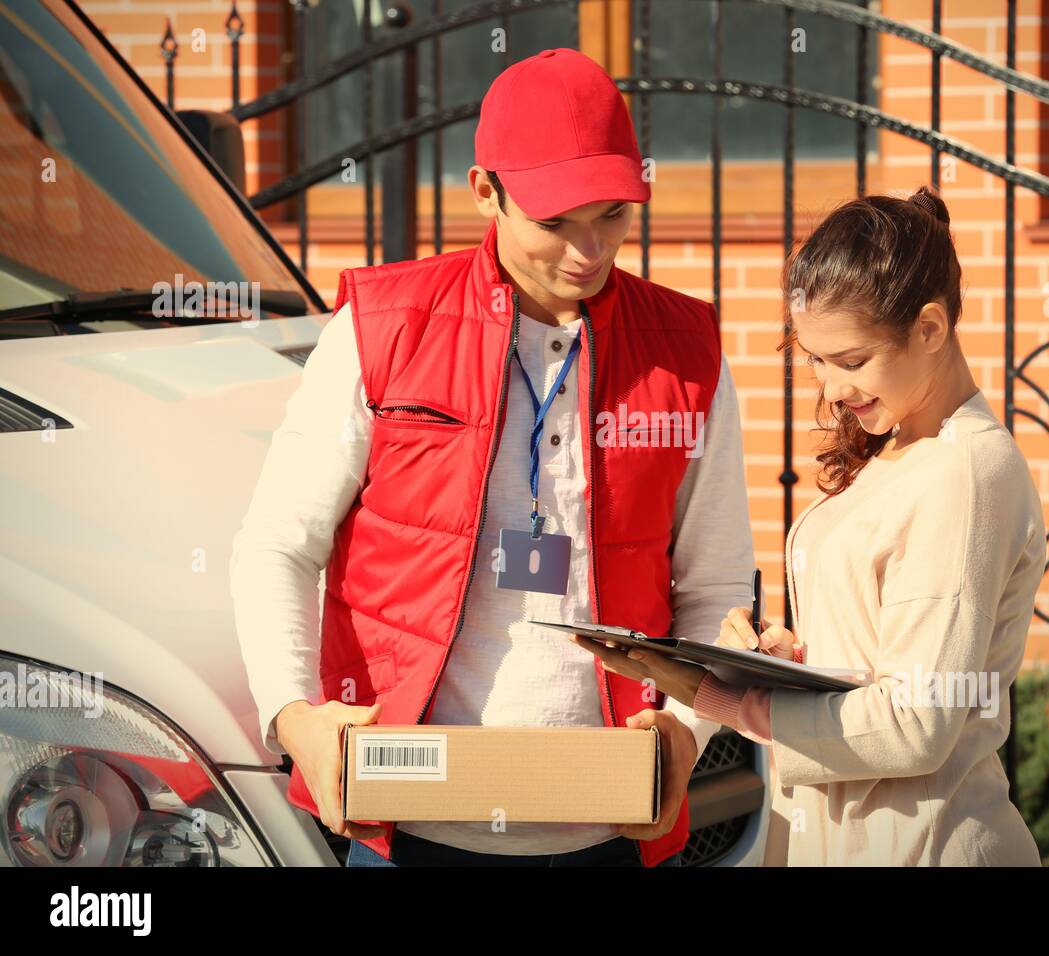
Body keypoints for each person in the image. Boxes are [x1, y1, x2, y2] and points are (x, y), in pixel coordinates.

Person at [229, 48, 754, 867]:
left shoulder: (687, 354)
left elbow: (717, 588)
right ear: (485, 191)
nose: (589, 251)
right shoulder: (380, 328)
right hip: (405, 826)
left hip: (609, 826)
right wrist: (297, 721)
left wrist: (687, 733)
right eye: (555, 222)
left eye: (613, 215)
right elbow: (278, 544)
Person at [576, 186, 1047, 866]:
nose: (830, 389)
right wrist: (779, 663)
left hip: (925, 846)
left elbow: (917, 723)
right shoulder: (896, 452)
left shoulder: (966, 473)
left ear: (931, 329)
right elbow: (872, 660)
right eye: (816, 360)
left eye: (851, 361)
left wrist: (739, 702)